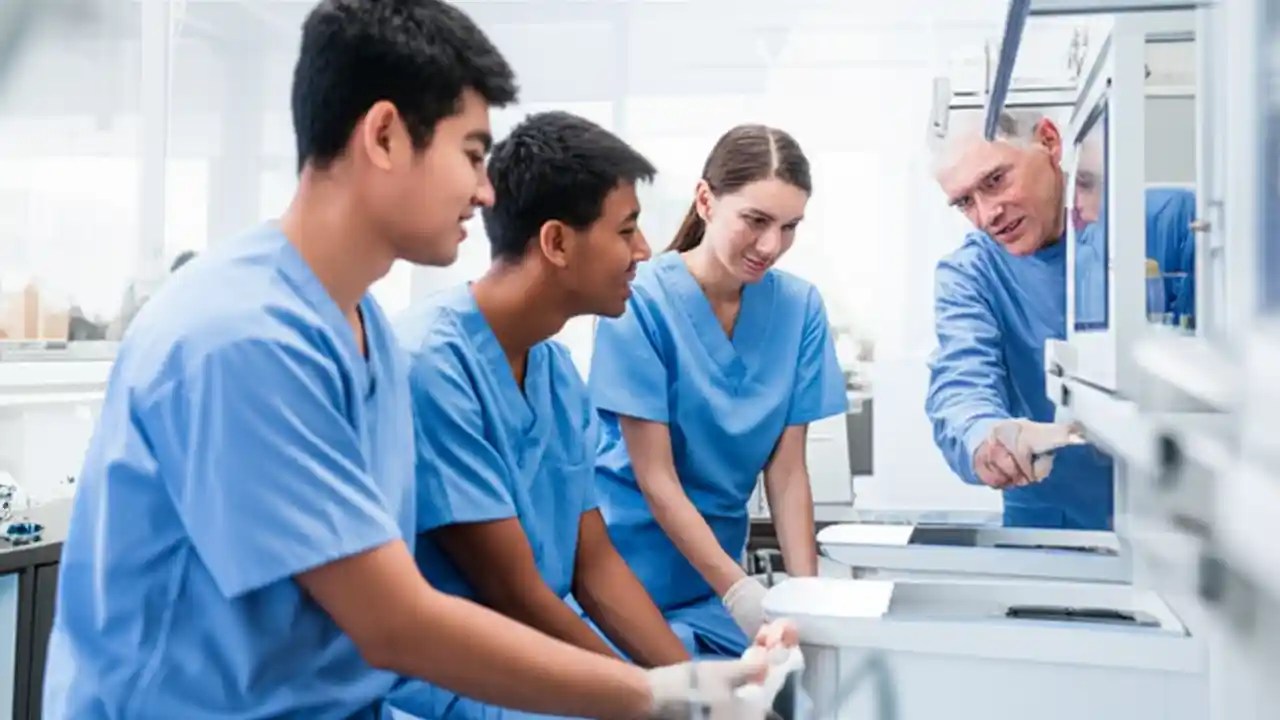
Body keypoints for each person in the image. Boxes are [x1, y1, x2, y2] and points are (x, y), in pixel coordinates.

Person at [41, 3, 784, 718]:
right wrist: (660, 698)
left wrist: (686, 689)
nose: (486, 190)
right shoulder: (241, 339)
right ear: (386, 136)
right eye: (469, 154)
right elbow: (394, 620)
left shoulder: (360, 333)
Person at [389, 110, 718, 719]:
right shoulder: (431, 366)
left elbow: (593, 563)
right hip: (456, 679)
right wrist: (649, 700)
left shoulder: (556, 370)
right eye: (626, 231)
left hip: (532, 656)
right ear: (557, 242)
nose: (644, 250)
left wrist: (694, 692)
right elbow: (514, 592)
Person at [588, 125, 848, 658]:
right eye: (755, 221)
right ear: (706, 201)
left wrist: (807, 604)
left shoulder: (800, 310)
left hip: (712, 592)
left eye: (789, 226)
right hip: (621, 584)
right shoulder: (637, 301)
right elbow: (656, 480)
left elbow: (788, 472)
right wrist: (739, 592)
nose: (771, 246)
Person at [925, 109, 1196, 530]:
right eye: (965, 202)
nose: (986, 214)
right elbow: (962, 383)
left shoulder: (1171, 222)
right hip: (1051, 517)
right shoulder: (971, 274)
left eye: (995, 180)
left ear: (1050, 141)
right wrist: (985, 440)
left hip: (1176, 514)